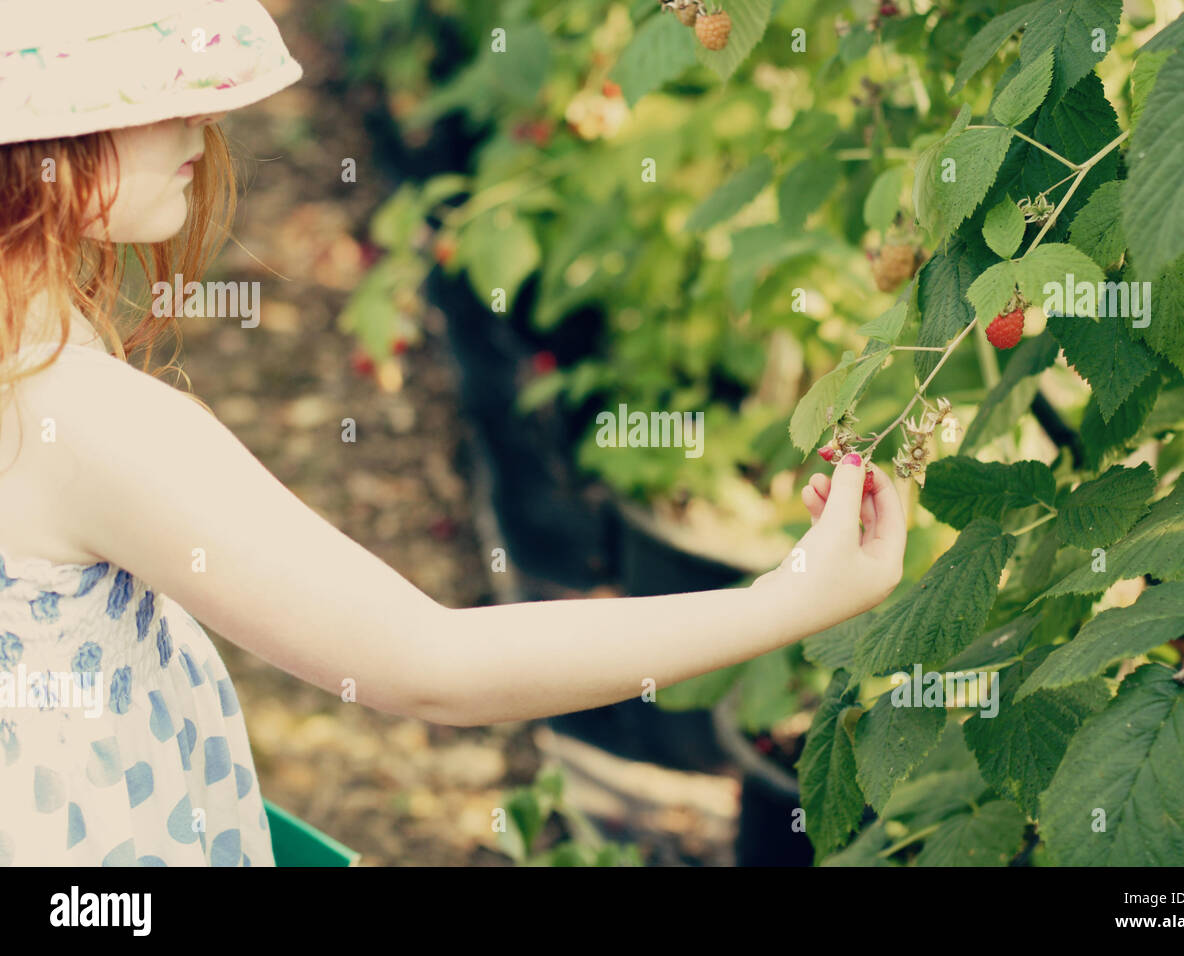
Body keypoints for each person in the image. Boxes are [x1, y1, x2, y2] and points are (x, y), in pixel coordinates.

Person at [0, 0, 907, 866]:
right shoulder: (81, 416)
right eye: (150, 90)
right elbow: (431, 662)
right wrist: (785, 601)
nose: (202, 114)